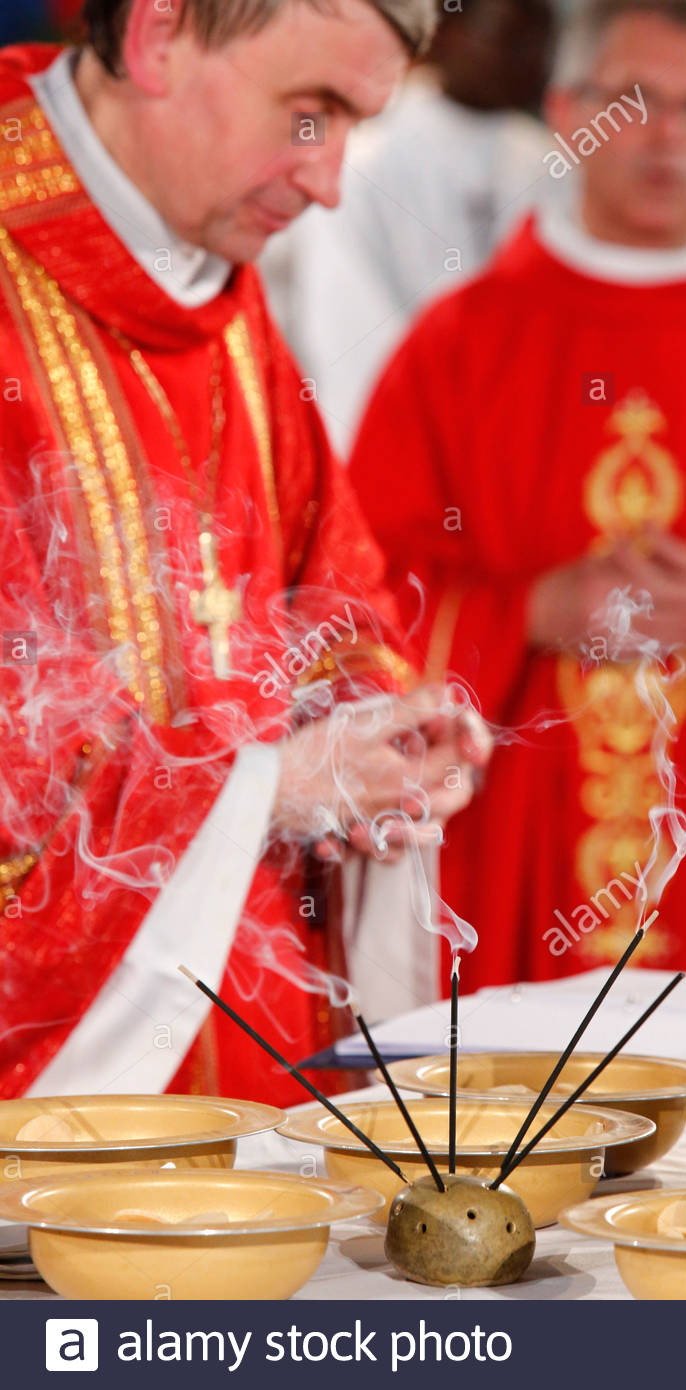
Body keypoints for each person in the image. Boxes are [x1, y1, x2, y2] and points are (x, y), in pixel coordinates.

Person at [0, 0, 489, 1104]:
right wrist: (268, 790)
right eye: (308, 114)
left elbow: (331, 589)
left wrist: (370, 730)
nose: (327, 184)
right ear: (157, 33)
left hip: (263, 1071)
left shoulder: (210, 268)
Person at [350, 0, 686, 996]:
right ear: (562, 108)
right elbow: (356, 598)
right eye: (631, 101)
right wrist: (528, 611)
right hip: (517, 836)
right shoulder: (457, 347)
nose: (666, 136)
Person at [262, 0, 558, 453]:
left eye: (535, 40)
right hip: (376, 427)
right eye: (503, 33)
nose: (521, 54)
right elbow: (334, 317)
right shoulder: (364, 155)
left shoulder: (552, 164)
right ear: (445, 32)